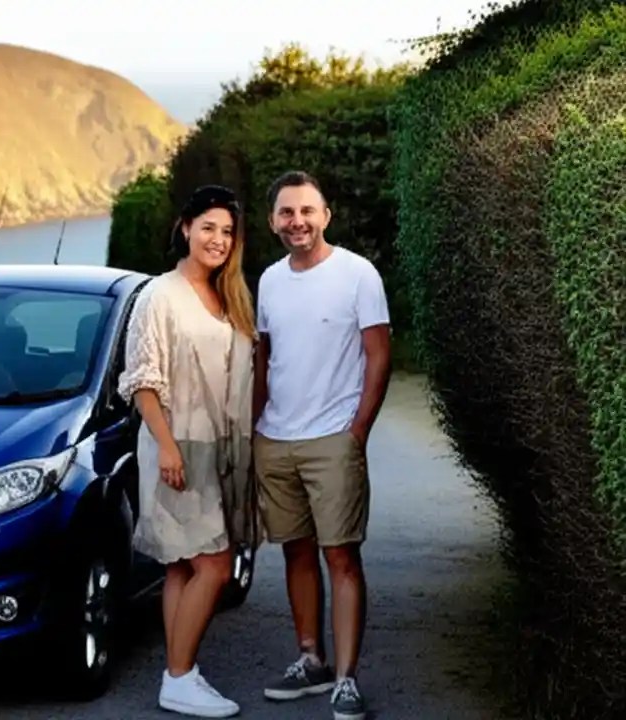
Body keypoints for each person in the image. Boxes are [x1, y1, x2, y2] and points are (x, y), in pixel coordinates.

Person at [251, 171, 392, 720]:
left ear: (326, 216)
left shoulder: (358, 274)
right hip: (276, 439)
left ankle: (346, 680)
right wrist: (255, 426)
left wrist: (358, 431)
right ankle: (311, 660)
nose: (298, 222)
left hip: (334, 438)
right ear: (273, 222)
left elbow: (378, 355)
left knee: (342, 556)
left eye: (307, 211)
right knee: (296, 551)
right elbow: (266, 359)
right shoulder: (269, 281)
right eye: (287, 212)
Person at [118, 185, 260, 718]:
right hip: (179, 445)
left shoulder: (229, 296)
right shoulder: (161, 295)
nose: (218, 239)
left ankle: (178, 673)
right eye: (208, 228)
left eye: (227, 232)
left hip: (220, 447)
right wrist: (167, 447)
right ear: (185, 228)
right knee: (215, 565)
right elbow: (142, 379)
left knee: (182, 566)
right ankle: (180, 678)